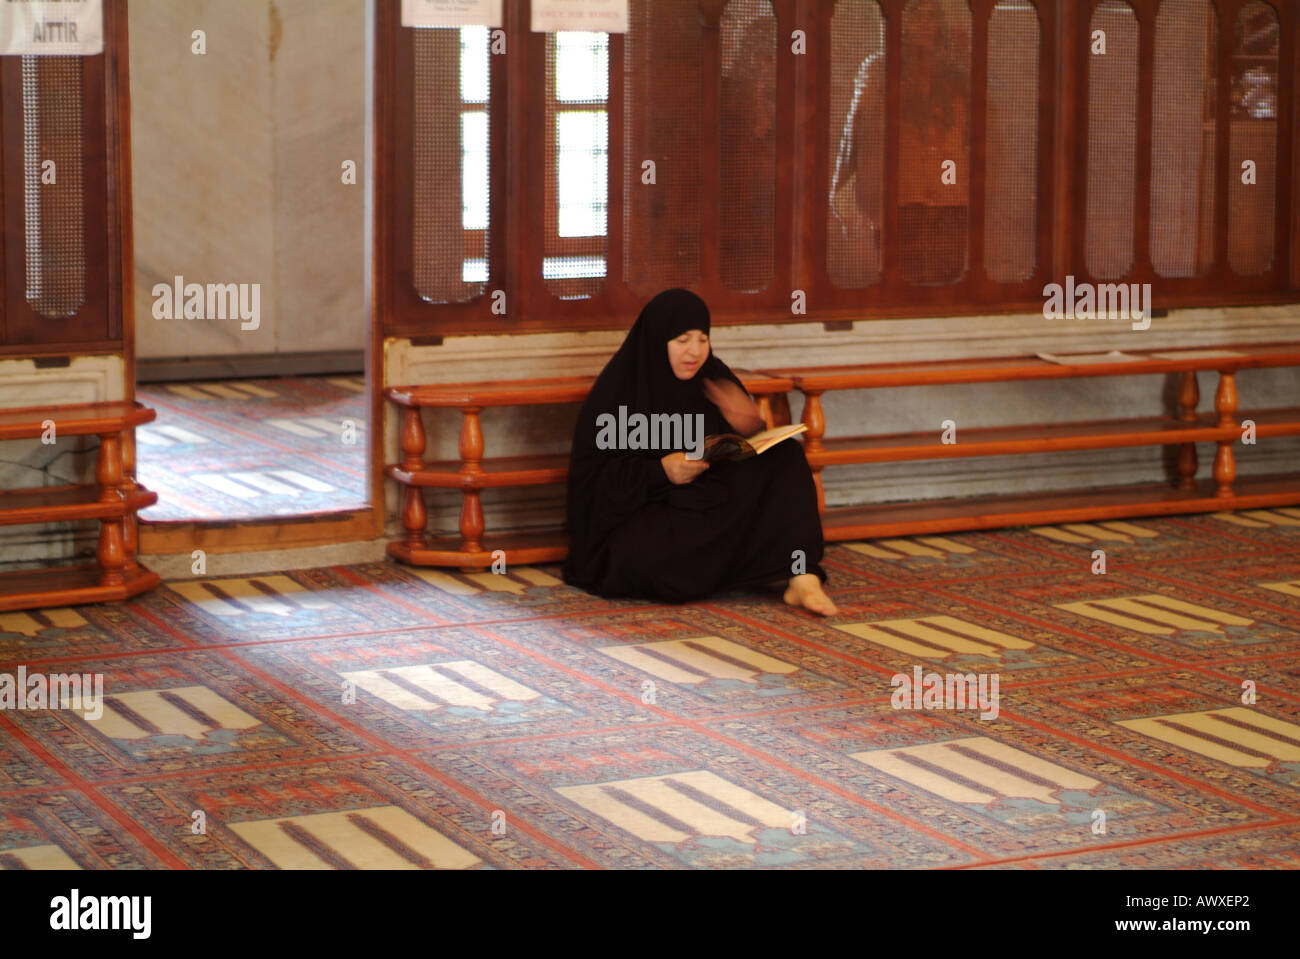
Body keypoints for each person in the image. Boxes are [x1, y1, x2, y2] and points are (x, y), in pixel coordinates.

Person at [562, 288, 836, 616]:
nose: (695, 352)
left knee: (786, 457)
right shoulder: (619, 393)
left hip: (705, 501)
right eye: (682, 340)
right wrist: (659, 471)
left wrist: (750, 427)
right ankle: (729, 566)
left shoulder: (712, 377)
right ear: (657, 340)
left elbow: (741, 458)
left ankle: (801, 576)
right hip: (652, 512)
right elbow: (593, 484)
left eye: (703, 339)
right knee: (652, 561)